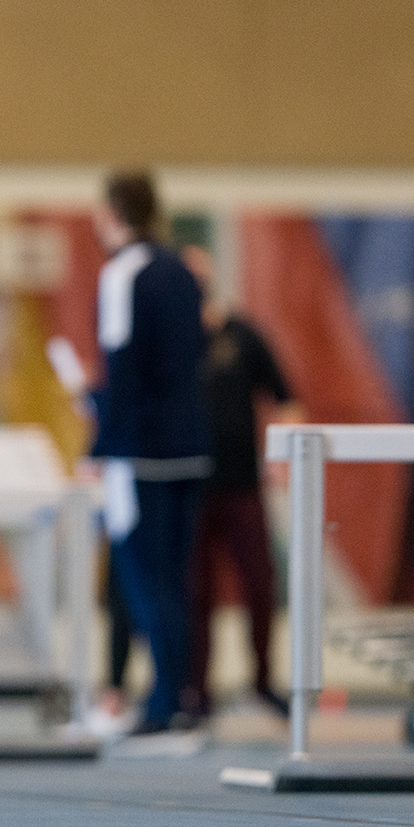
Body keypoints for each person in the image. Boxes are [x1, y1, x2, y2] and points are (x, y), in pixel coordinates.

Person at [87, 171, 210, 735]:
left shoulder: (122, 274)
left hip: (142, 453)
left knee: (145, 577)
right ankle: (180, 694)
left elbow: (124, 366)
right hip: (190, 447)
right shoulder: (184, 272)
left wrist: (101, 441)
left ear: (114, 212)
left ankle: (164, 700)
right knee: (175, 578)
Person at [181, 244, 301, 719]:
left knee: (259, 582)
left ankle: (262, 680)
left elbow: (286, 398)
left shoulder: (243, 334)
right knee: (196, 590)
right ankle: (197, 690)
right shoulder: (174, 340)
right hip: (190, 484)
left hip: (240, 482)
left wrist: (285, 456)